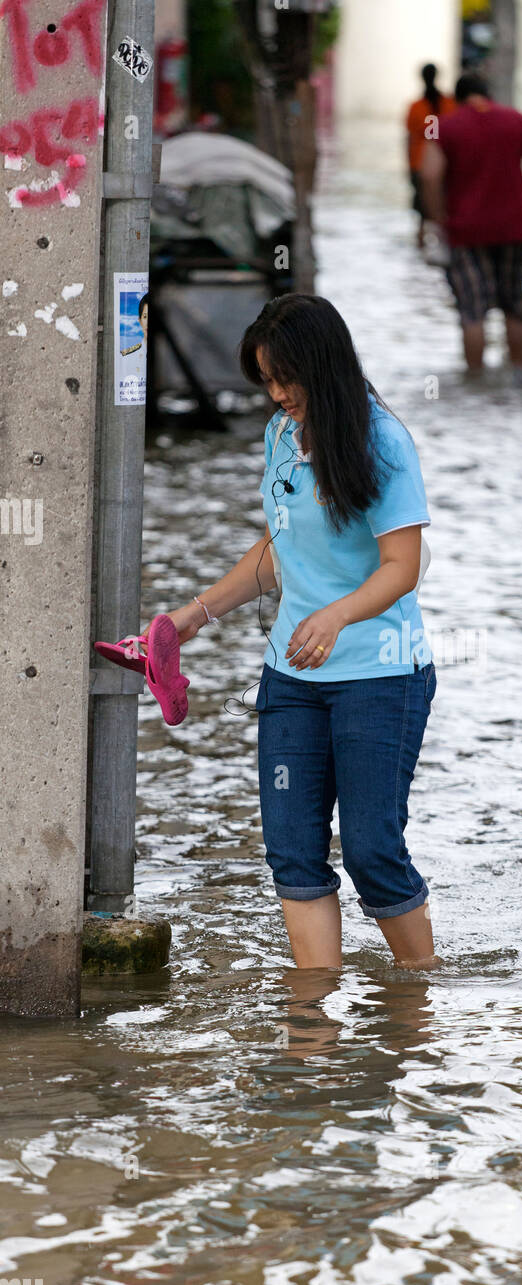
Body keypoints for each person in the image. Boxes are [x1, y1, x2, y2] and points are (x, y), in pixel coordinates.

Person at [143, 295, 440, 973]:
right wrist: (195, 614)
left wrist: (337, 615)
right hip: (292, 681)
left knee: (371, 851)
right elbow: (279, 550)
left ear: (324, 367)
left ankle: (417, 1004)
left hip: (380, 677)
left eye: (286, 379)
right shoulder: (282, 435)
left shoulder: (383, 442)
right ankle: (312, 1022)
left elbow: (402, 567)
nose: (277, 395)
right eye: (267, 381)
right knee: (294, 850)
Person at [420, 71, 522, 374]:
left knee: (472, 311)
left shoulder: (446, 126)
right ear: (488, 94)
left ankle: (475, 381)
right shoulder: (516, 120)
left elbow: (428, 175)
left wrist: (438, 218)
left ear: (459, 98)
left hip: (465, 231)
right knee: (514, 304)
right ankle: (519, 371)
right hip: (513, 228)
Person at [406, 63, 456, 249]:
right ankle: (445, 242)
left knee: (421, 211)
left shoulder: (416, 107)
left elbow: (410, 138)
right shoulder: (449, 104)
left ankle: (421, 244)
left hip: (419, 162)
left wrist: (409, 166)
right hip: (446, 163)